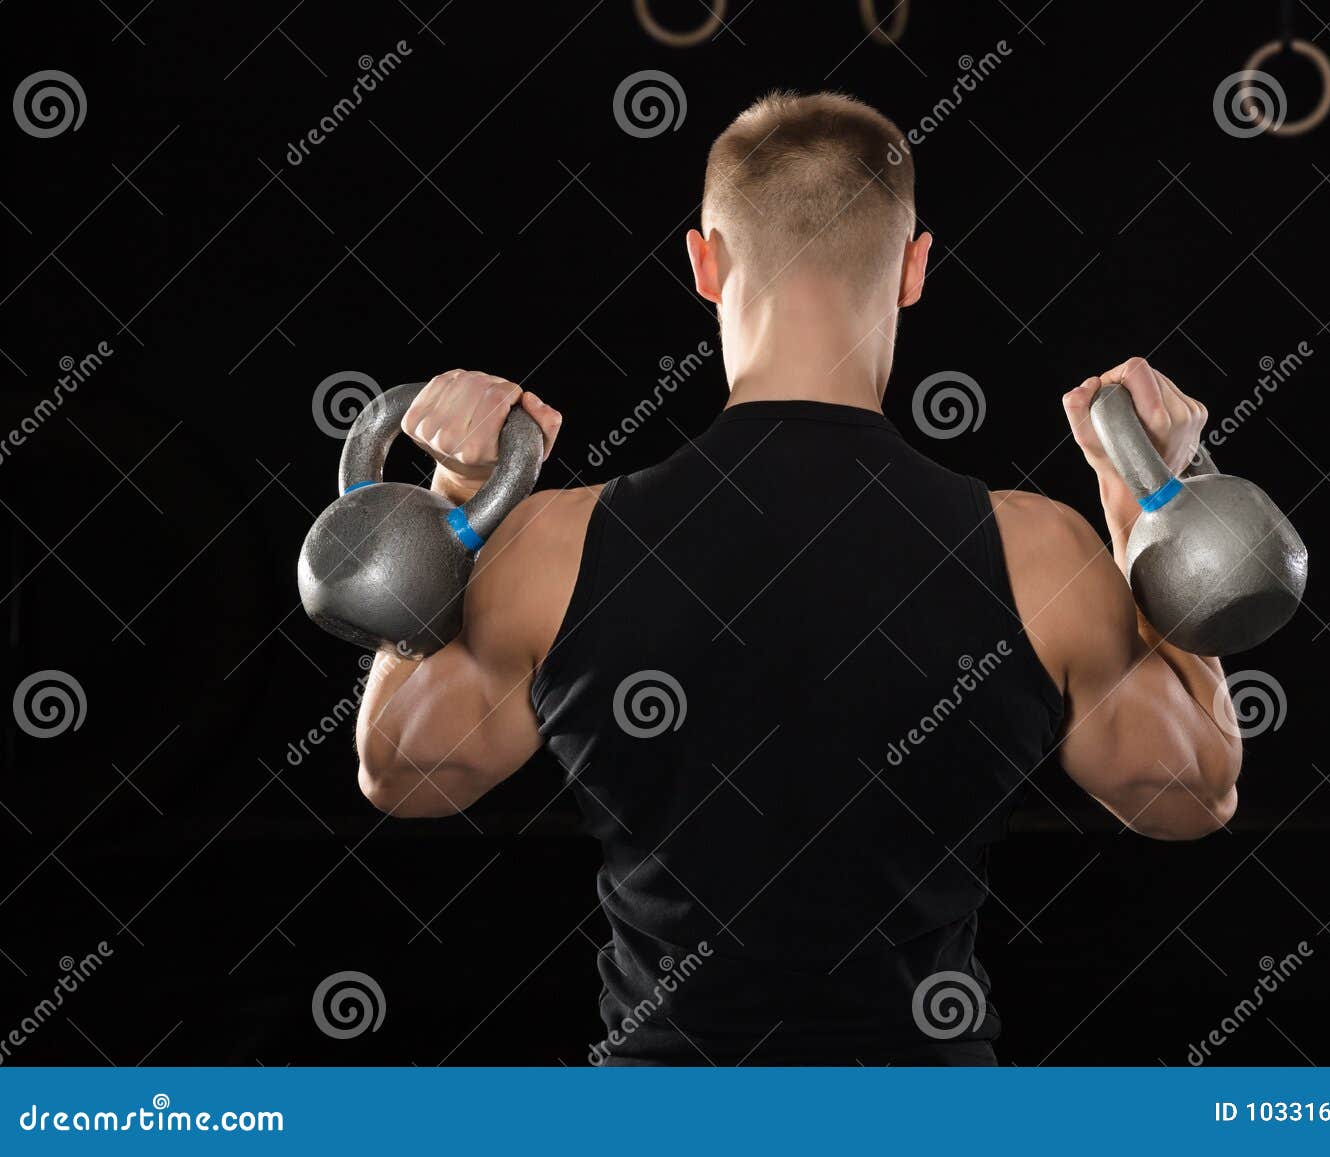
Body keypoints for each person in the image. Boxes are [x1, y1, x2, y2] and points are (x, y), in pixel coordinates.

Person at [354, 92, 1242, 1065]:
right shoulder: (1038, 551)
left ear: (703, 263)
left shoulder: (554, 543)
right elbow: (1191, 795)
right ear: (914, 268)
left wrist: (459, 497)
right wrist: (1142, 510)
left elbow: (401, 773)